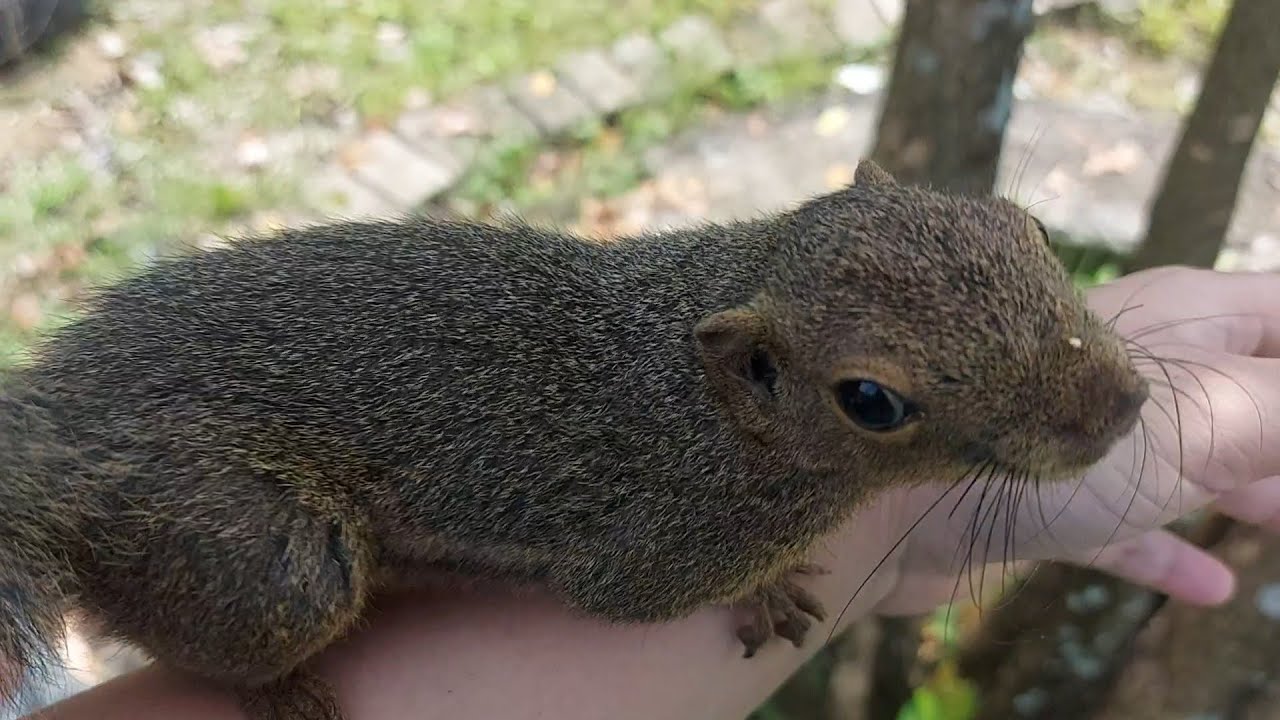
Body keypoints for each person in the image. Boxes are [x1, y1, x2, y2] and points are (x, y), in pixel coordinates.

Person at [32, 265, 1280, 720]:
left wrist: (889, 539)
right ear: (747, 372)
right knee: (286, 600)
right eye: (875, 403)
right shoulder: (724, 498)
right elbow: (635, 589)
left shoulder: (736, 374)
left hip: (179, 402)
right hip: (205, 485)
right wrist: (838, 547)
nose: (1114, 395)